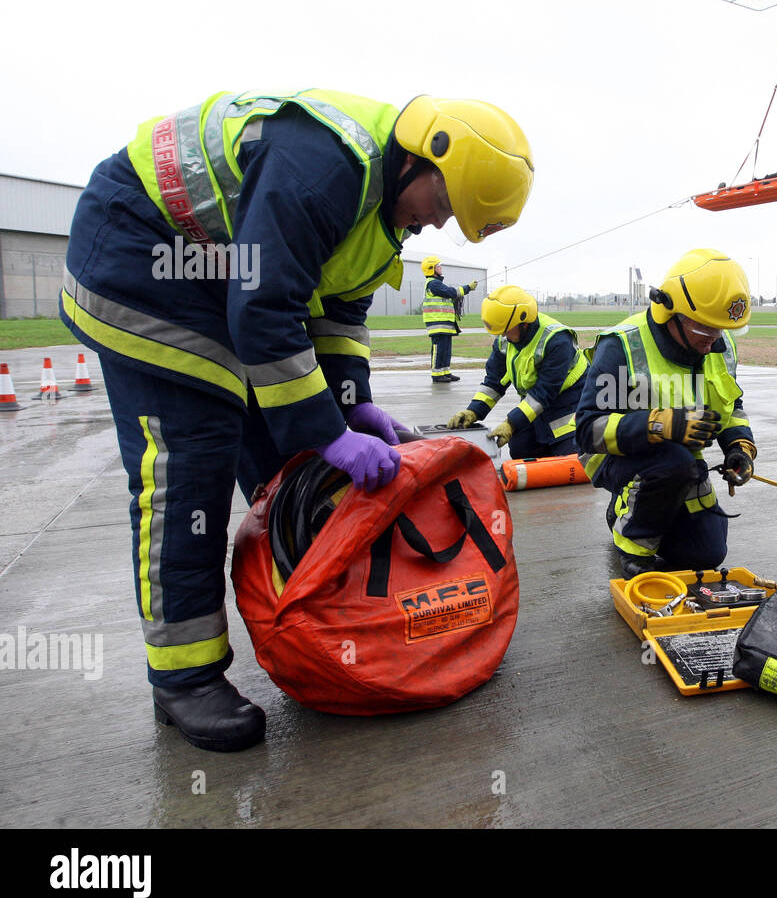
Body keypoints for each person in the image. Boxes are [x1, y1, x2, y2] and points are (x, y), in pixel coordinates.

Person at [61, 89, 533, 752]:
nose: (436, 224)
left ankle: (324, 630)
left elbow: (337, 316)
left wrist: (350, 406)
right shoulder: (325, 170)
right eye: (444, 204)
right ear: (424, 160)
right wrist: (326, 433)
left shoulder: (383, 213)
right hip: (142, 260)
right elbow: (263, 313)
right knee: (190, 467)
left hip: (224, 280)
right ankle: (184, 678)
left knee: (296, 479)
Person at [575, 249, 756, 579]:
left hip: (679, 459)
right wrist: (660, 424)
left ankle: (648, 510)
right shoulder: (623, 346)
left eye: (720, 330)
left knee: (706, 553)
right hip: (616, 456)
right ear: (673, 315)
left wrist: (739, 447)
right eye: (706, 331)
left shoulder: (718, 342)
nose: (715, 341)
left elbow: (732, 405)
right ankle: (631, 539)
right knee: (673, 462)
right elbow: (588, 430)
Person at [446, 286, 589, 457]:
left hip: (569, 405)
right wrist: (473, 411)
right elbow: (493, 383)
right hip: (536, 405)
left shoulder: (557, 340)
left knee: (570, 461)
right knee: (520, 451)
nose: (503, 336)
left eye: (506, 330)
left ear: (524, 322)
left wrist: (511, 423)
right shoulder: (505, 340)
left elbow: (544, 392)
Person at [420, 255, 478, 383]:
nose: (441, 268)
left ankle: (445, 372)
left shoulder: (437, 283)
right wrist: (468, 287)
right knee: (438, 348)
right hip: (437, 322)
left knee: (446, 349)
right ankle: (436, 374)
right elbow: (451, 292)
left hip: (444, 322)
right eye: (438, 266)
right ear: (431, 269)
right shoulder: (433, 284)